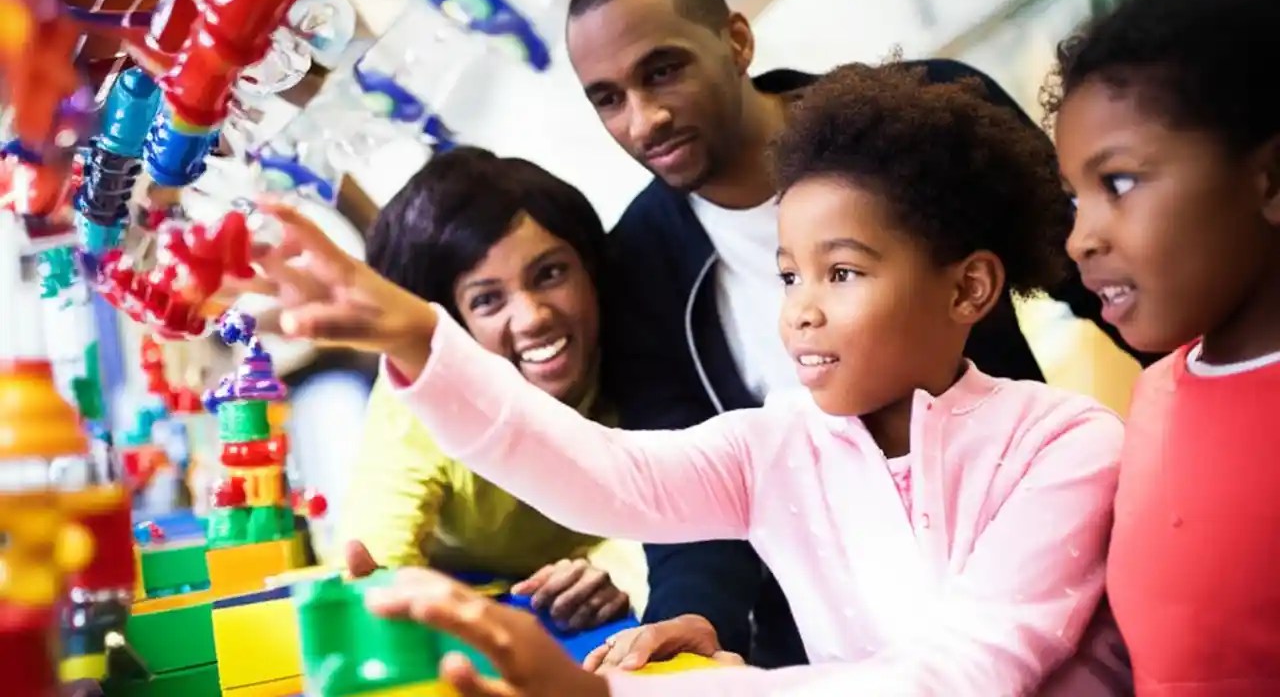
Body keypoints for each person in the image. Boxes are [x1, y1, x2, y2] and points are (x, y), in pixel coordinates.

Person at [251, 62, 1124, 696]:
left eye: (843, 273)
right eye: (789, 276)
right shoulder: (775, 441)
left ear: (968, 286)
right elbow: (603, 475)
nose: (801, 312)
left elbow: (958, 676)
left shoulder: (1064, 446)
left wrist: (613, 696)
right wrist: (422, 341)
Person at [563, 0, 1156, 668]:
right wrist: (695, 621)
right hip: (828, 644)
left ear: (736, 41)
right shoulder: (639, 264)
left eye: (662, 72)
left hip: (1018, 572)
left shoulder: (932, 126)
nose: (643, 120)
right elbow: (686, 489)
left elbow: (1113, 285)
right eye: (607, 99)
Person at [1051, 0, 1280, 693]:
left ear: (1270, 179)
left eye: (1117, 182)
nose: (1080, 239)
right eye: (1073, 198)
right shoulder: (1153, 393)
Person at [339, 146, 646, 630]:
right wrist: (383, 596)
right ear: (452, 325)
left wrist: (620, 565)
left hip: (600, 611)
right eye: (486, 300)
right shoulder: (421, 393)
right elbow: (379, 549)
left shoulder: (645, 349)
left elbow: (700, 486)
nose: (533, 317)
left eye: (550, 274)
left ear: (591, 270)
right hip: (463, 597)